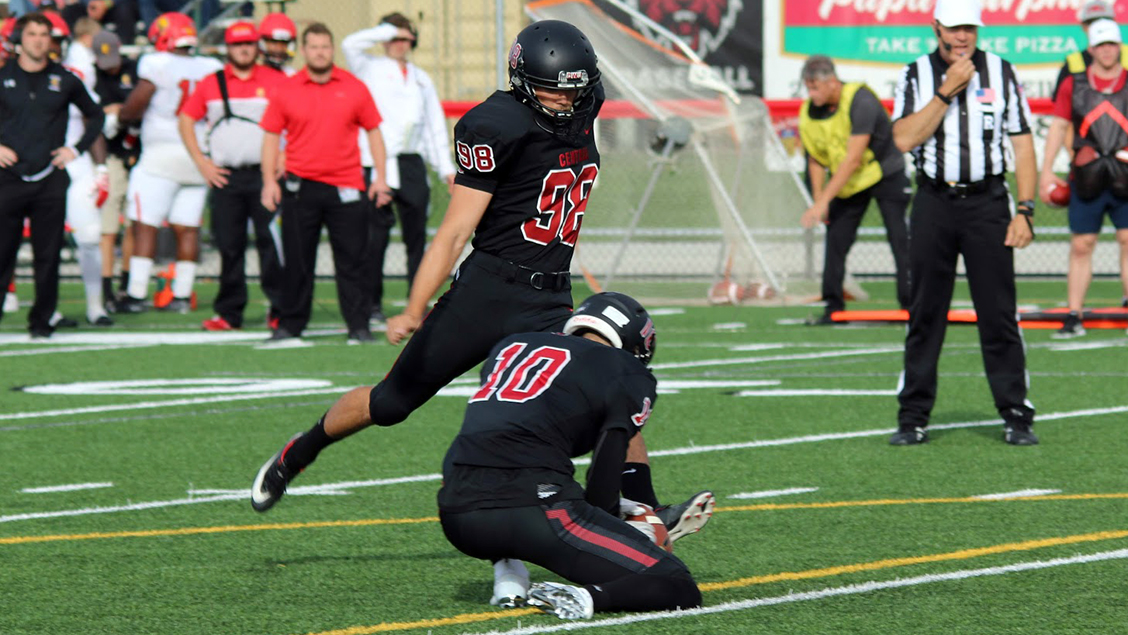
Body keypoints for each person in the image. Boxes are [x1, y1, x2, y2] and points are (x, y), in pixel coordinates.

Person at [250, 22, 715, 605]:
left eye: (574, 89)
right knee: (391, 403)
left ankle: (641, 506)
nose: (566, 100)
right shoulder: (495, 125)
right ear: (523, 81)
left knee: (609, 382)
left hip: (550, 295)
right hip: (488, 291)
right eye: (553, 90)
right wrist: (414, 306)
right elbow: (455, 230)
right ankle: (299, 452)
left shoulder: (582, 102)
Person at [438, 292, 702, 619]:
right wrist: (611, 522)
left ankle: (508, 572)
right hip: (534, 512)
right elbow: (605, 466)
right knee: (676, 583)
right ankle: (582, 598)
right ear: (634, 346)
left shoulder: (513, 346)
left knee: (499, 465)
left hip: (456, 514)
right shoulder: (623, 369)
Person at [889, 0, 1038, 446]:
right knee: (925, 313)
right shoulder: (915, 74)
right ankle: (912, 416)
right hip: (934, 200)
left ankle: (1016, 413)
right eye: (954, 28)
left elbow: (1023, 144)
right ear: (936, 27)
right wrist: (946, 92)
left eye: (969, 28)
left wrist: (1025, 209)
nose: (962, 37)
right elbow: (903, 139)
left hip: (988, 203)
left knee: (998, 313)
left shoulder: (1002, 71)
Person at [257, 22, 392, 344]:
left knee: (352, 261)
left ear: (332, 50)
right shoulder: (287, 89)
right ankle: (291, 325)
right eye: (314, 47)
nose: (320, 53)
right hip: (299, 187)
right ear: (303, 50)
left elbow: (374, 132)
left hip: (346, 186)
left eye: (325, 47)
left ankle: (358, 326)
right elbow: (271, 137)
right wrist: (268, 181)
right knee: (297, 261)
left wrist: (381, 178)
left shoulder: (354, 87)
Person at [342, 13, 457, 325]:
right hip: (377, 163)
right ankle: (371, 304)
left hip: (411, 162)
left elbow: (433, 126)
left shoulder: (421, 78)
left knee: (416, 238)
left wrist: (445, 168)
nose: (399, 44)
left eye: (406, 38)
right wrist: (387, 30)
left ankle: (417, 302)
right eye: (394, 38)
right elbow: (350, 44)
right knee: (375, 238)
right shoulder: (369, 66)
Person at [0, 12, 105, 338]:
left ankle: (42, 321)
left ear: (52, 40)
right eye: (32, 34)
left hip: (50, 177)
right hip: (8, 178)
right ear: (19, 39)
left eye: (44, 34)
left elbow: (96, 115)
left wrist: (75, 149)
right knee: (2, 253)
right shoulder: (3, 76)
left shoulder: (64, 79)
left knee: (48, 255)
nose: (38, 40)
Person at [179, 21, 287, 331]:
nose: (244, 49)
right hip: (226, 177)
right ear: (228, 48)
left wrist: (286, 155)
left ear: (257, 47)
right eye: (238, 44)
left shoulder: (276, 80)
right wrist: (202, 163)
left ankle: (280, 309)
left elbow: (297, 117)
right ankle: (229, 313)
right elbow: (186, 119)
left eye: (249, 43)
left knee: (271, 244)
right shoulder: (211, 83)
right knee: (229, 246)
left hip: (266, 176)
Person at [115, 14, 223, 314]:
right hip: (197, 155)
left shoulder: (157, 63)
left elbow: (134, 107)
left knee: (145, 226)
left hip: (160, 154)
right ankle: (182, 295)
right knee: (188, 229)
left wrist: (120, 117)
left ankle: (136, 293)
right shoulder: (210, 67)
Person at [797, 55, 910, 325]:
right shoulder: (809, 112)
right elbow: (815, 158)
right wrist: (818, 199)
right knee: (836, 240)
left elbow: (853, 159)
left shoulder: (861, 101)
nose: (811, 94)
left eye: (815, 88)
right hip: (849, 183)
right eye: (808, 88)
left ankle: (911, 306)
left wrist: (824, 201)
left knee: (900, 239)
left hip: (884, 172)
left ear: (832, 82)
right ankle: (833, 307)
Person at [1040, 19, 1128, 339]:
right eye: (1101, 45)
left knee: (1127, 240)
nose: (1106, 51)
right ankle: (1074, 314)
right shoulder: (1073, 84)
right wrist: (1047, 170)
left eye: (1111, 44)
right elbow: (1059, 125)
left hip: (1125, 175)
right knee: (1081, 244)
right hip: (1087, 176)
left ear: (1119, 47)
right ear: (1091, 49)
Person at [61, 16, 114, 327]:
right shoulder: (16, 75)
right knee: (41, 239)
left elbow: (92, 118)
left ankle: (95, 306)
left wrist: (101, 166)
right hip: (35, 166)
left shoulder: (76, 73)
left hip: (75, 161)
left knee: (90, 235)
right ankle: (42, 308)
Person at [92, 29, 139, 309]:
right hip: (110, 154)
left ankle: (127, 286)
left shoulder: (136, 70)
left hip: (136, 153)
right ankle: (106, 288)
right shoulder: (94, 76)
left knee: (133, 223)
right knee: (108, 226)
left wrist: (120, 109)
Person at [60, 0, 137, 46]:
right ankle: (77, 44)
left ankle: (123, 45)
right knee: (70, 10)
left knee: (125, 10)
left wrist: (106, 4)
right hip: (90, 6)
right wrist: (91, 4)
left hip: (114, 6)